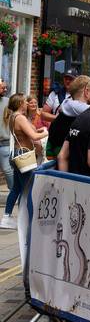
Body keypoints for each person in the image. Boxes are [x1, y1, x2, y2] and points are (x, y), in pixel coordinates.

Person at [1, 94, 49, 227]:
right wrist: (45, 132)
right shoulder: (20, 118)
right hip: (25, 156)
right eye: (25, 102)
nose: (27, 104)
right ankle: (29, 220)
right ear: (20, 104)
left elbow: (25, 133)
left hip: (18, 154)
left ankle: (7, 217)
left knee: (16, 188)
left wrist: (37, 129)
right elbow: (33, 136)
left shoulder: (13, 116)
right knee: (29, 189)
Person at [45, 75, 90, 163]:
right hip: (71, 166)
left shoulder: (63, 112)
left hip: (57, 164)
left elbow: (50, 148)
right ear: (87, 92)